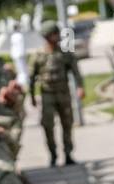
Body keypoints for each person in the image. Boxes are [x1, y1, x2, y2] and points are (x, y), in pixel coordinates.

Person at [29, 21, 84, 167]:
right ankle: (53, 154)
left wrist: (80, 87)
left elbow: (76, 72)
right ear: (47, 36)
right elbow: (31, 77)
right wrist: (32, 96)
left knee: (67, 123)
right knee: (47, 125)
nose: (56, 37)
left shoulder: (65, 54)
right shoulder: (38, 55)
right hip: (47, 95)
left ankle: (68, 153)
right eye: (53, 34)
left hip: (63, 93)